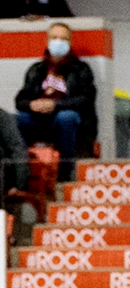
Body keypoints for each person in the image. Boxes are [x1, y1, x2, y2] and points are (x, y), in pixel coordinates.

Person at [14, 22, 92, 182]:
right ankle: (22, 172)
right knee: (17, 119)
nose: (58, 41)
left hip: (65, 118)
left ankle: (64, 174)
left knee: (67, 117)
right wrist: (32, 105)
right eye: (54, 37)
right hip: (39, 118)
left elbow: (86, 99)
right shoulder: (36, 69)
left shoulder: (81, 69)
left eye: (63, 38)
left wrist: (55, 105)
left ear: (70, 42)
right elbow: (20, 100)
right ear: (47, 41)